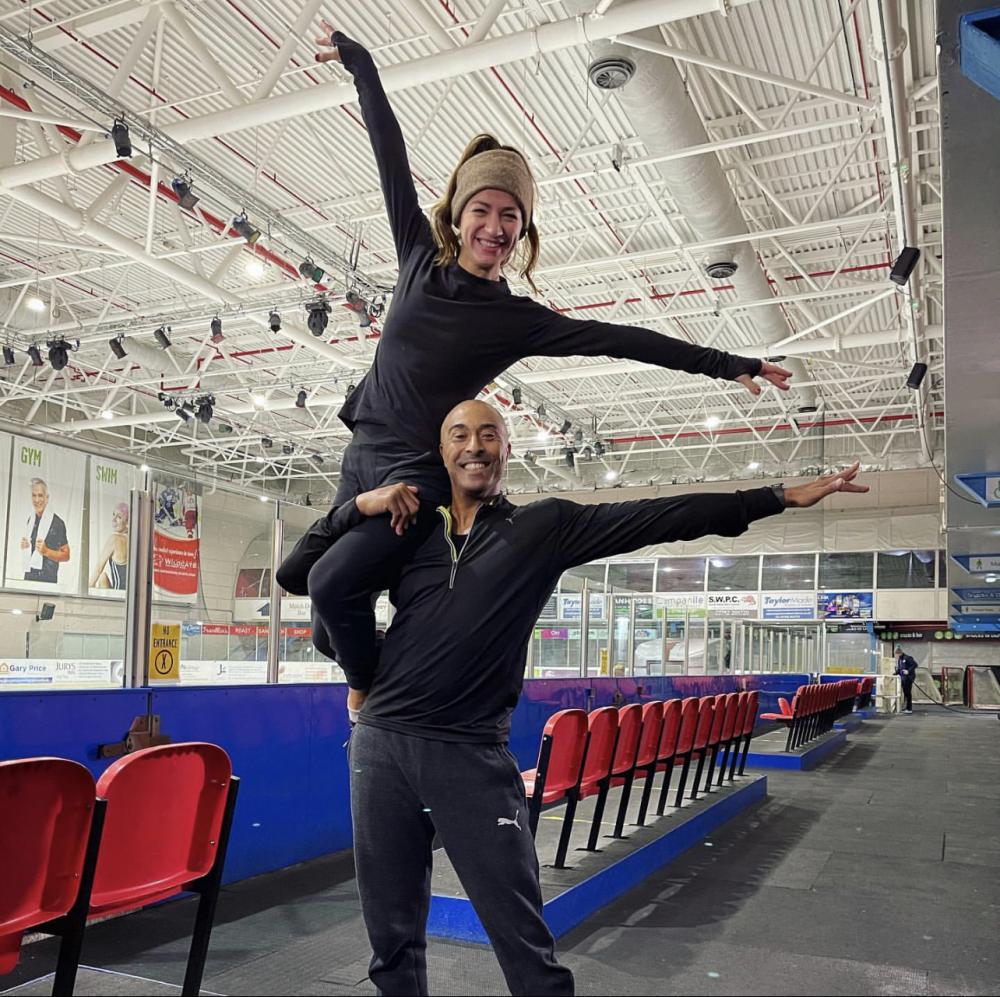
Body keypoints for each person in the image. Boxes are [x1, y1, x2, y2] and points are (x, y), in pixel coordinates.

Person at [276, 22, 796, 685]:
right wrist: (364, 69)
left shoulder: (516, 320)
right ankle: (398, 668)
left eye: (510, 217)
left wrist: (726, 363)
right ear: (459, 215)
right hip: (361, 459)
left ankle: (378, 697)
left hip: (416, 474)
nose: (494, 227)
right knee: (323, 622)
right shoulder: (417, 259)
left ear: (523, 230)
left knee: (331, 585)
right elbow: (389, 155)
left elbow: (621, 339)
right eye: (483, 210)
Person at [329, 398, 868, 996]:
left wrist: (776, 496)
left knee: (521, 936)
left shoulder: (543, 527)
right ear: (442, 451)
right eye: (459, 435)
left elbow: (658, 517)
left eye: (489, 434)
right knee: (390, 937)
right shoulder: (407, 533)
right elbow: (318, 580)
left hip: (468, 751)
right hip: (381, 746)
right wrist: (356, 514)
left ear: (508, 448)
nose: (474, 446)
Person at [20, 477, 70, 583]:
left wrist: (46, 551)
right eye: (34, 495)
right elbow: (31, 550)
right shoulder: (30, 520)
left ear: (47, 498)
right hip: (29, 577)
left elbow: (66, 555)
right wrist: (26, 546)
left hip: (48, 580)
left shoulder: (57, 523)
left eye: (40, 495)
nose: (36, 500)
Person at [89, 503, 129, 590]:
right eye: (113, 514)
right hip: (132, 595)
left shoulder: (114, 539)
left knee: (102, 577)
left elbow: (98, 570)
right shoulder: (135, 542)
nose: (113, 520)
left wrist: (84, 591)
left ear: (127, 523)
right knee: (103, 578)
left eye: (119, 517)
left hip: (118, 595)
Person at [895, 647, 918, 713]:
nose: (896, 655)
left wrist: (908, 671)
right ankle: (906, 707)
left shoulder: (908, 658)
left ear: (900, 652)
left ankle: (909, 709)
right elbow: (899, 668)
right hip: (903, 678)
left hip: (908, 678)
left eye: (897, 653)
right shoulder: (900, 659)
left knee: (908, 693)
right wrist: (895, 673)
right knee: (905, 693)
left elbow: (915, 665)